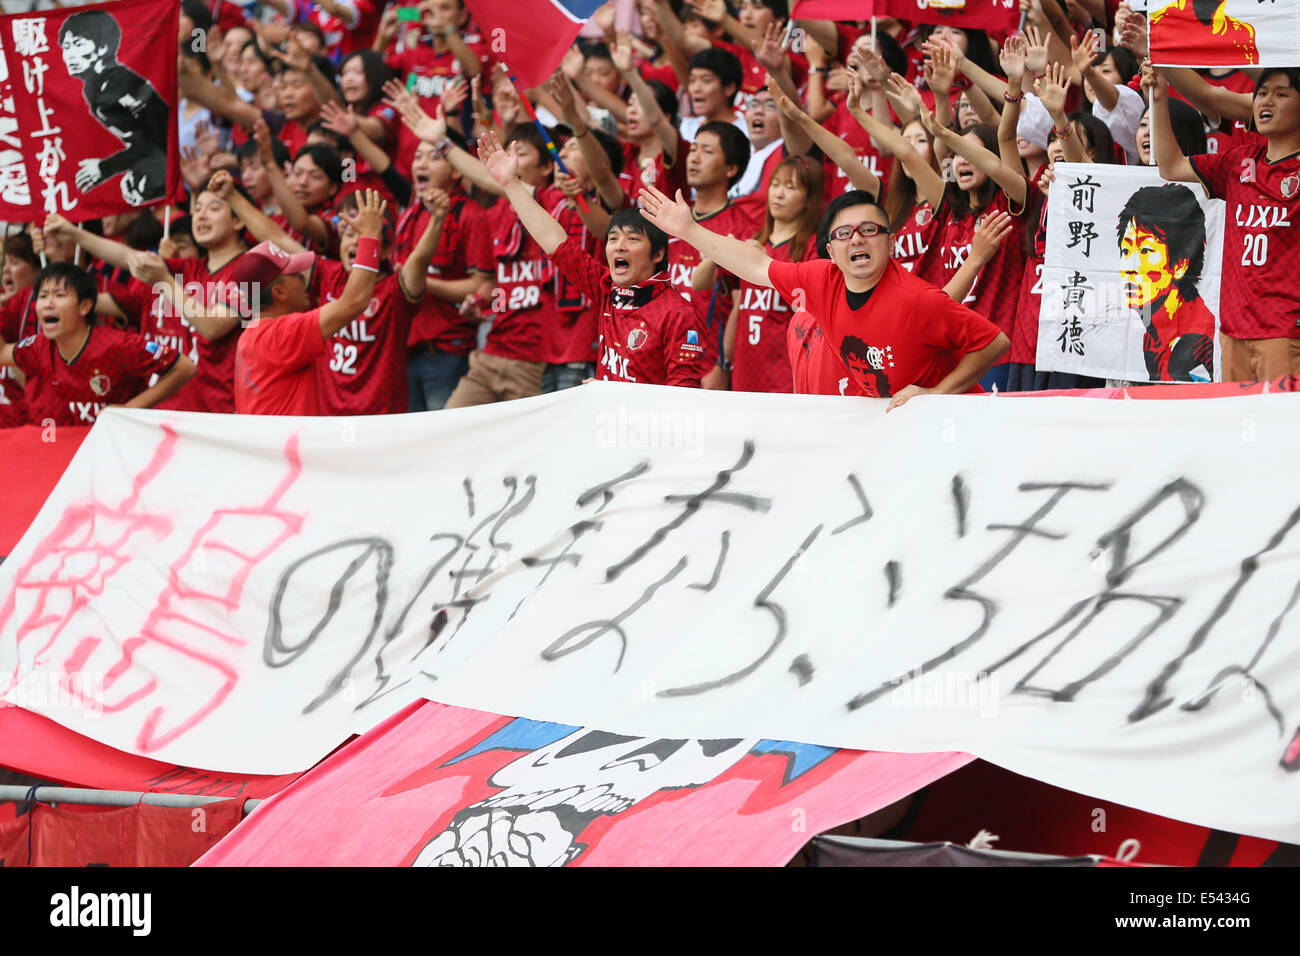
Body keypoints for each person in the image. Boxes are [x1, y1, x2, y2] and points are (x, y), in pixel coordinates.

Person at [641, 185, 1007, 408]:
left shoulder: (916, 298)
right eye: (844, 233)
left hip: (956, 422)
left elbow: (994, 343)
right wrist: (689, 230)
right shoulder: (819, 279)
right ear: (831, 252)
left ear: (891, 242)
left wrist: (936, 394)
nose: (857, 239)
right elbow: (754, 265)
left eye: (869, 230)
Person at [477, 131, 713, 387]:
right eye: (612, 239)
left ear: (658, 253)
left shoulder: (678, 314)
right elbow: (555, 242)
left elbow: (684, 395)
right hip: (606, 422)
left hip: (648, 426)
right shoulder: (606, 290)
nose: (619, 247)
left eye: (632, 239)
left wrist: (614, 394)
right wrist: (510, 183)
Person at [1151, 66, 1300, 381]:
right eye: (1261, 93)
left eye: (1281, 94)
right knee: (1240, 428)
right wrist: (1160, 99)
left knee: (1282, 429)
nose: (1266, 102)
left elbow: (1210, 95)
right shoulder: (1239, 162)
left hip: (1284, 331)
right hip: (1232, 332)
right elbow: (1170, 166)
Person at [233, 191, 388, 415]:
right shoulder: (280, 334)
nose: (304, 278)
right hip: (285, 448)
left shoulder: (250, 335)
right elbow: (354, 301)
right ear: (279, 292)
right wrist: (371, 236)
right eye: (296, 274)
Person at [0, 262, 194, 426]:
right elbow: (2, 354)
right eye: (42, 296)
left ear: (85, 306)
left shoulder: (119, 344)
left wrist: (130, 408)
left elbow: (184, 368)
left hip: (124, 448)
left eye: (59, 295)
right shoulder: (38, 346)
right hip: (73, 447)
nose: (48, 303)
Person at [59, 9, 171, 205]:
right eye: (66, 46)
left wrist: (105, 168)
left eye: (78, 44)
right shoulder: (94, 88)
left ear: (102, 48)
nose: (70, 54)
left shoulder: (116, 87)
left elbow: (150, 142)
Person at [1116, 184, 1215, 383]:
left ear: (1180, 264)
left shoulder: (1199, 343)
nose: (1130, 266)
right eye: (1126, 251)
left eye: (1145, 251)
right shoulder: (1151, 337)